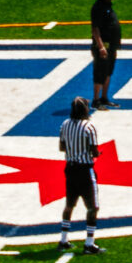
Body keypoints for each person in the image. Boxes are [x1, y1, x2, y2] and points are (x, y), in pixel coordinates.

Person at [56, 97, 103, 254]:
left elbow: (62, 147)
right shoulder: (89, 127)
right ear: (85, 110)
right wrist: (96, 154)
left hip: (70, 168)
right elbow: (94, 151)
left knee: (69, 204)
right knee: (92, 207)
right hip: (85, 170)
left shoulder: (65, 124)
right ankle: (89, 243)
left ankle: (63, 239)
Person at [90, 0, 123, 110]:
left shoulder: (108, 5)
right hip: (104, 46)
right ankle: (96, 99)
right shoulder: (98, 7)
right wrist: (101, 46)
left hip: (111, 45)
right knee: (100, 72)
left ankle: (104, 97)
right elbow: (95, 29)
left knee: (108, 72)